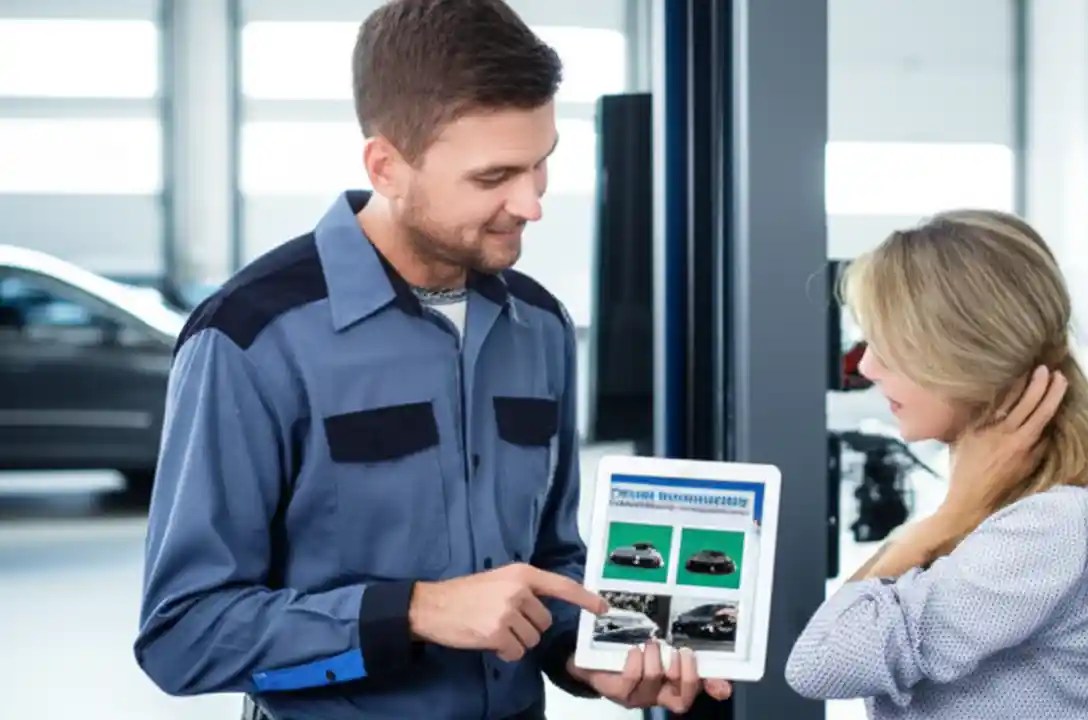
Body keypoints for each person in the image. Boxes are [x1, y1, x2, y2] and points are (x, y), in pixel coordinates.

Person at [133, 1, 731, 717]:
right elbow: (184, 634)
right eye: (494, 177)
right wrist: (413, 611)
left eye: (541, 165)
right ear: (387, 165)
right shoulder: (251, 338)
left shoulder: (539, 326)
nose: (532, 204)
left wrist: (587, 653)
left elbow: (551, 560)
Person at [785, 209, 1088, 718]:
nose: (866, 366)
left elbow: (818, 662)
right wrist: (948, 515)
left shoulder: (1051, 528)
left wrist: (948, 520)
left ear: (966, 353)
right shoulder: (1000, 498)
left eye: (890, 345)